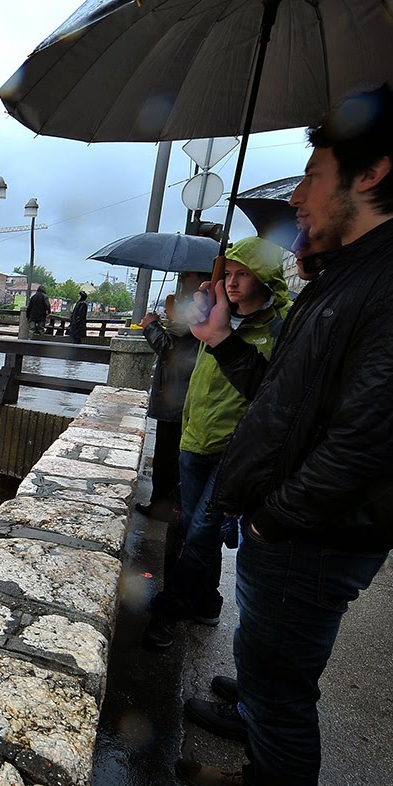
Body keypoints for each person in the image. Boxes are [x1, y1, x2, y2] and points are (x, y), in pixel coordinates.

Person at [176, 84, 393, 786]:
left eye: (313, 176)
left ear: (372, 173)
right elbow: (284, 397)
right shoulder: (346, 274)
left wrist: (272, 519)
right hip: (300, 532)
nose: (297, 197)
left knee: (282, 695)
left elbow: (368, 441)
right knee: (267, 663)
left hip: (310, 536)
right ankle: (252, 713)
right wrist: (221, 340)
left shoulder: (382, 283)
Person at [142, 238, 289, 651]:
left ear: (265, 279)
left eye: (244, 274)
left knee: (202, 531)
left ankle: (168, 612)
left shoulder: (279, 329)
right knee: (194, 526)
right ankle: (207, 600)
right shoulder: (212, 315)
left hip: (233, 449)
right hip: (194, 438)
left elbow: (272, 394)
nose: (234, 282)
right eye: (229, 274)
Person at [136, 270, 209, 527]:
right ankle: (170, 505)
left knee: (168, 456)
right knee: (171, 456)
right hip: (182, 395)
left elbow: (170, 350)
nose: (181, 280)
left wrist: (151, 325)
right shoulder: (201, 306)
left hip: (177, 396)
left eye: (186, 275)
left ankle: (164, 507)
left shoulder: (198, 309)